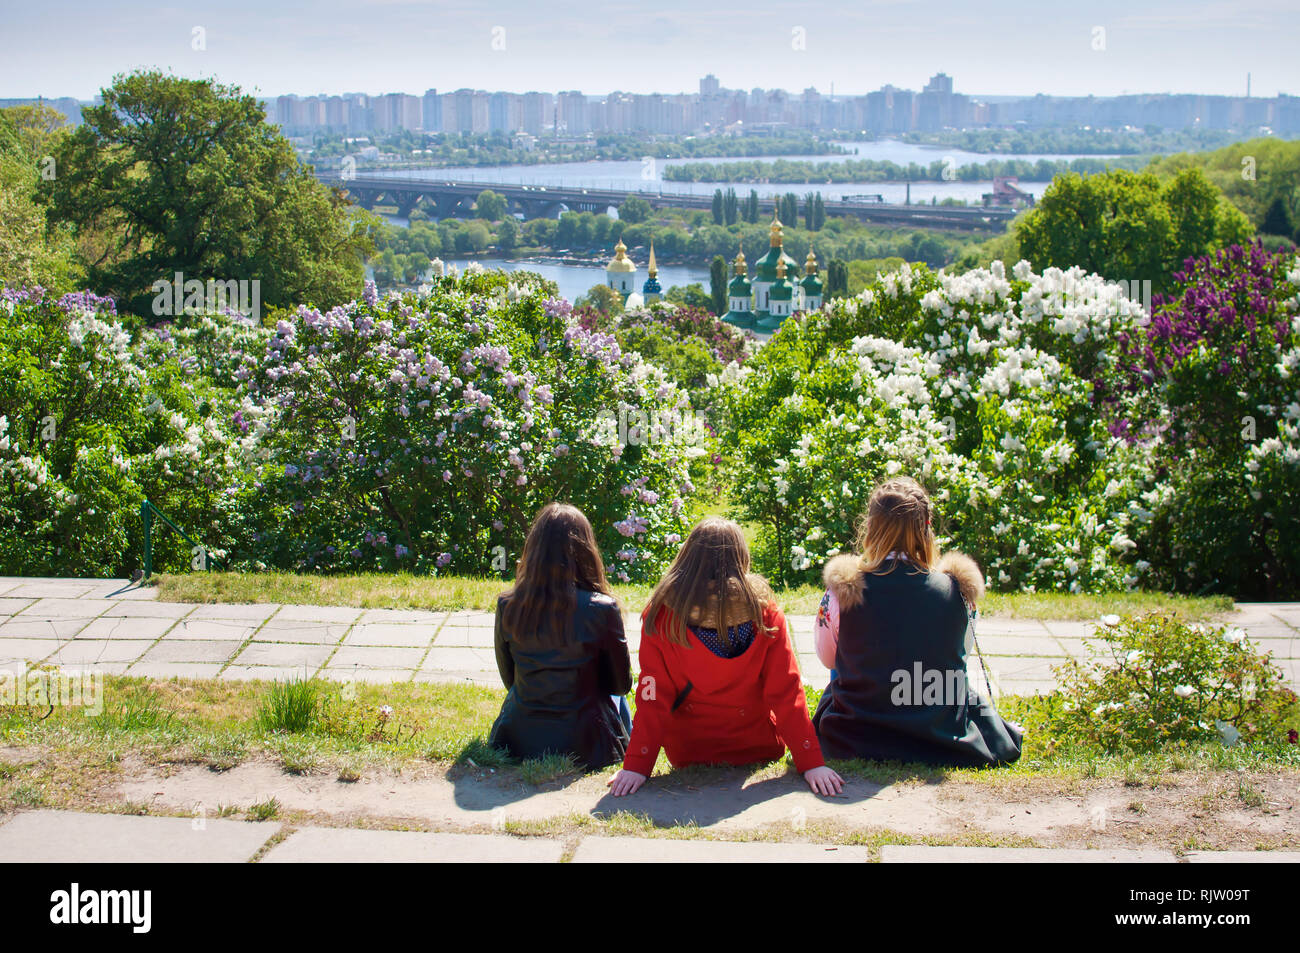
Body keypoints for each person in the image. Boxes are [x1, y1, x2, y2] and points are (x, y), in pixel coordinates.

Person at [608, 518, 843, 797]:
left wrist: (637, 764)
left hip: (688, 751)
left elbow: (652, 697)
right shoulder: (765, 614)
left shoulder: (661, 617)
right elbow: (787, 692)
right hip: (758, 746)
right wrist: (810, 761)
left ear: (687, 556)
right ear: (741, 557)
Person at [812, 477, 1023, 767]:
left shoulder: (844, 590)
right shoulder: (958, 591)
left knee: (841, 669)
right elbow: (958, 654)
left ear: (870, 528)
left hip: (858, 725)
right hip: (938, 724)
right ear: (926, 529)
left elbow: (827, 658)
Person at [489, 503, 632, 770]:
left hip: (519, 738)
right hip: (587, 741)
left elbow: (510, 679)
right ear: (585, 550)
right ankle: (631, 747)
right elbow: (620, 686)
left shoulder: (508, 604)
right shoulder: (601, 607)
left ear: (534, 549)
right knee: (620, 700)